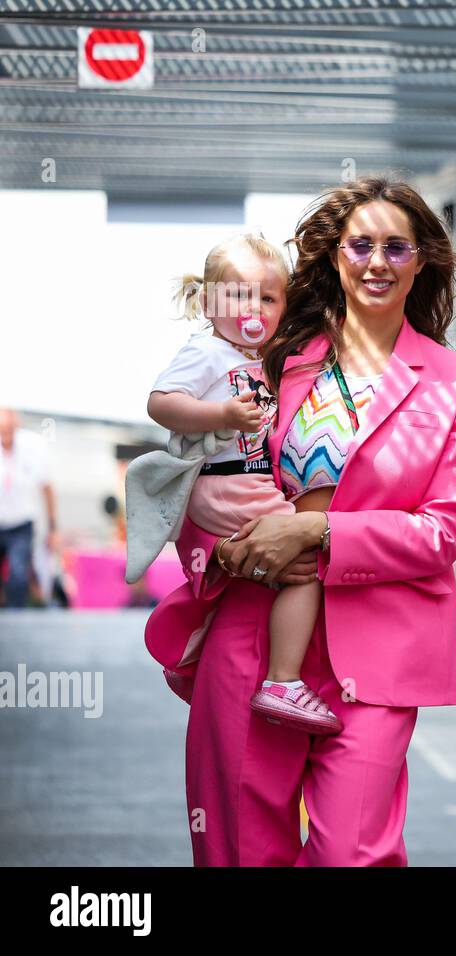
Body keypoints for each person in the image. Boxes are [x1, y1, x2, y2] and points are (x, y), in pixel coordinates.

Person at [143, 176, 456, 865]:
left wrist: (316, 532)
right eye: (360, 244)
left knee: (352, 855)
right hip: (249, 631)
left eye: (397, 247)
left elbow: (442, 535)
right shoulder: (276, 357)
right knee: (239, 849)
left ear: (421, 258)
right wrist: (216, 550)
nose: (377, 261)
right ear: (335, 255)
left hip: (379, 654)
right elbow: (200, 466)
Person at [142, 233, 342, 734]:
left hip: (243, 482)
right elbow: (160, 402)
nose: (252, 308)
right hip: (224, 481)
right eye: (237, 295)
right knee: (307, 555)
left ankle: (201, 652)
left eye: (268, 298)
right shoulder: (207, 351)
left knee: (293, 559)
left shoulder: (261, 357)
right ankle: (283, 681)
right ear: (209, 302)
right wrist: (220, 413)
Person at [0, 407, 57, 609]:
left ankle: (16, 616)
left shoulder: (32, 447)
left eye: (8, 430)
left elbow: (47, 489)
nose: (5, 436)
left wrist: (52, 528)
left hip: (21, 524)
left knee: (18, 573)